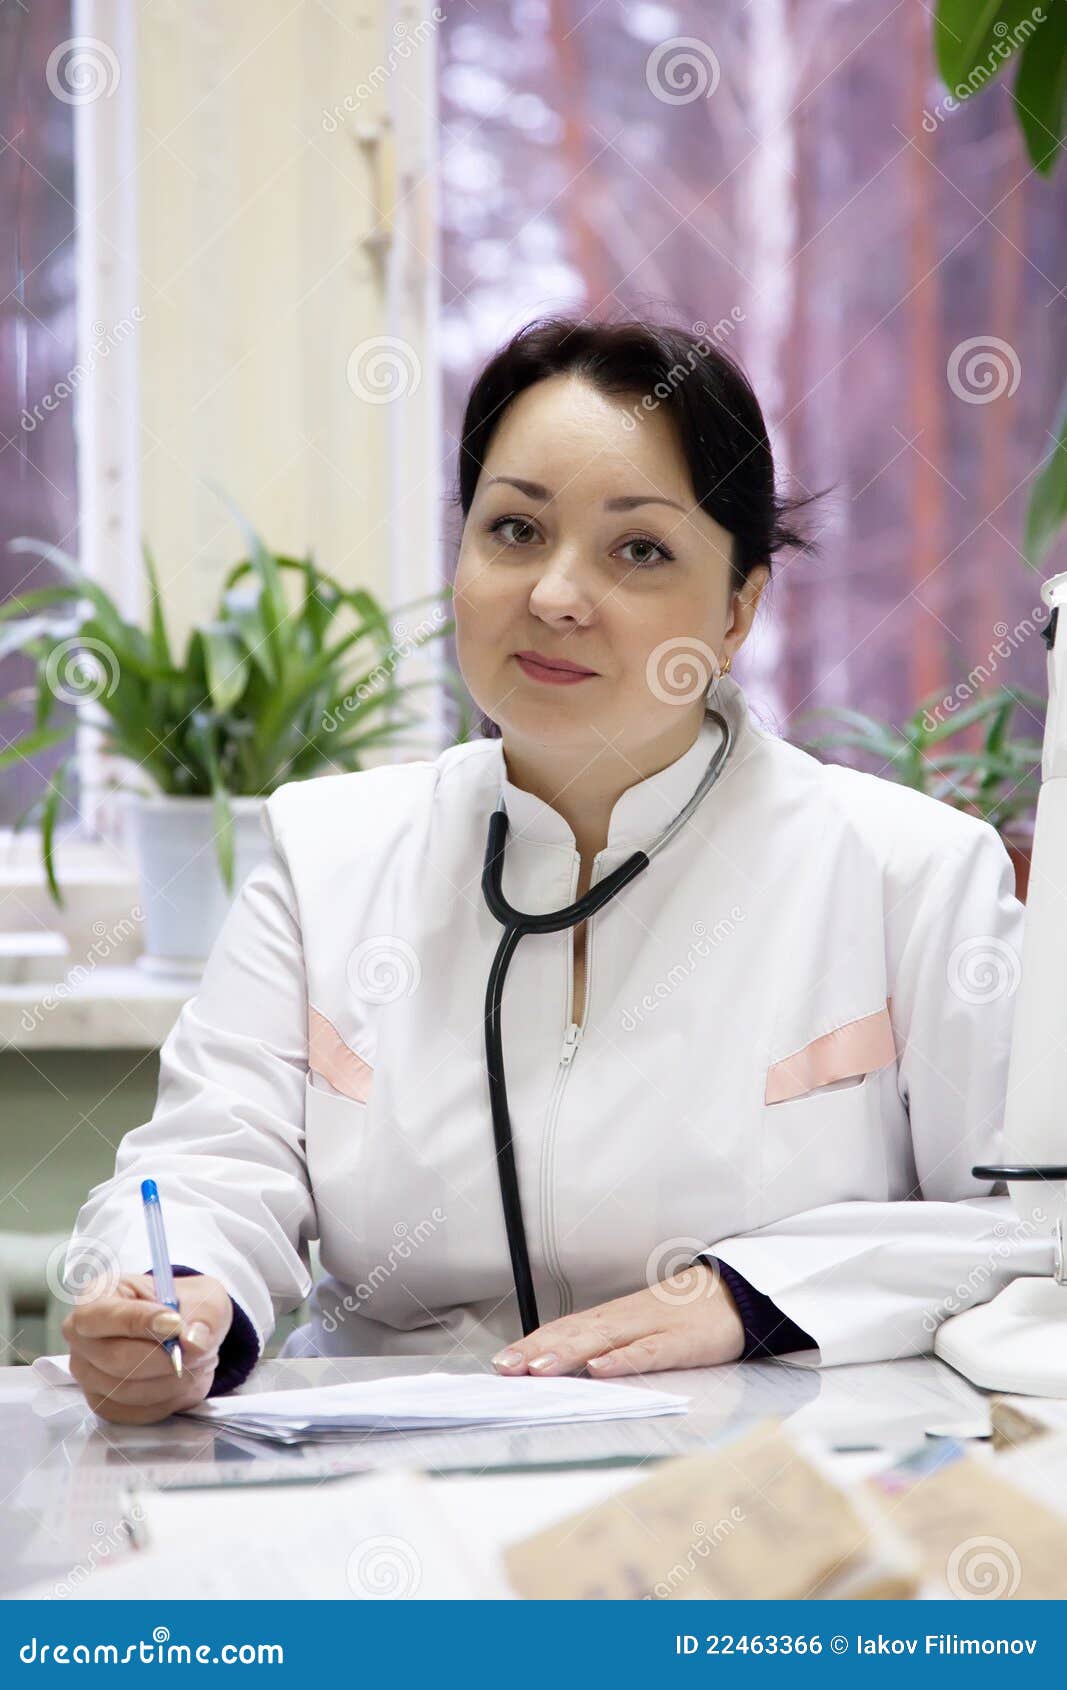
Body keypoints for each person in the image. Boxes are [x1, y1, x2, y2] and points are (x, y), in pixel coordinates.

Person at [62, 315, 1048, 1425]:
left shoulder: (907, 871)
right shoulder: (325, 852)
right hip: (393, 1489)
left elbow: (1031, 1226)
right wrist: (180, 1295)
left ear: (737, 609)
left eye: (638, 550)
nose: (554, 595)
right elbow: (205, 1163)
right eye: (515, 529)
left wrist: (756, 1298)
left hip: (771, 1486)